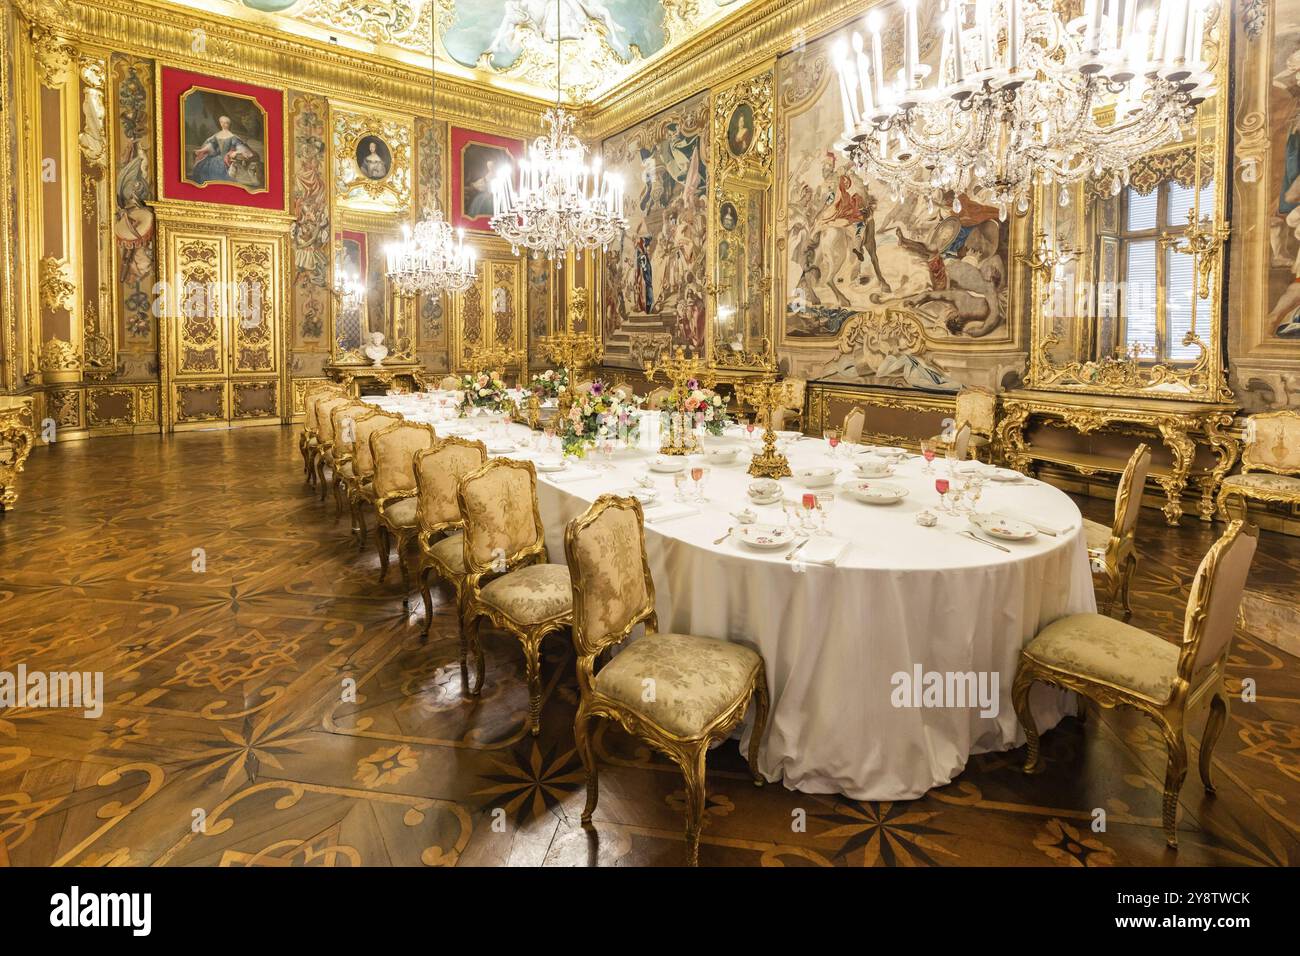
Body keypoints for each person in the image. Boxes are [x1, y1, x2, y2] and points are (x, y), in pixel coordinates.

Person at [191, 115, 256, 185]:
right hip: (214, 159)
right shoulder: (216, 135)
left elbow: (240, 147)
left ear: (229, 124)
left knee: (222, 175)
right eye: (222, 122)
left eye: (226, 123)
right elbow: (211, 146)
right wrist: (202, 150)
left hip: (226, 159)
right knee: (202, 167)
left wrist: (236, 152)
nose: (223, 124)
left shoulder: (233, 136)